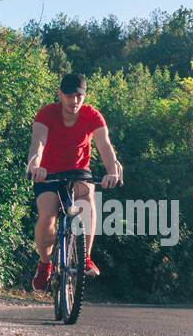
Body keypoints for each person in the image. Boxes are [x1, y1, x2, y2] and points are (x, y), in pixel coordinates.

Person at [25, 72, 124, 291]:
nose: (74, 100)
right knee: (48, 213)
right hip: (48, 174)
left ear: (84, 96)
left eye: (79, 95)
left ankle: (85, 257)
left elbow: (105, 146)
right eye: (69, 95)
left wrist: (112, 171)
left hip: (78, 172)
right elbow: (38, 143)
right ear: (60, 94)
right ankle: (44, 264)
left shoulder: (92, 116)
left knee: (88, 198)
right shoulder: (47, 114)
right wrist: (35, 166)